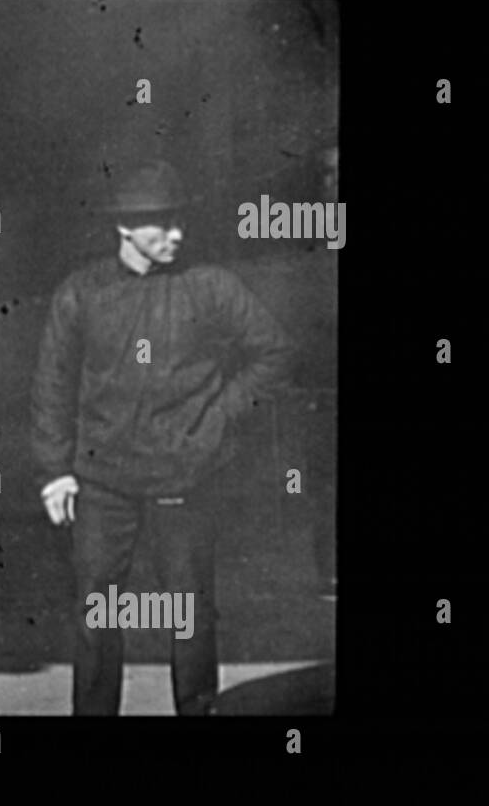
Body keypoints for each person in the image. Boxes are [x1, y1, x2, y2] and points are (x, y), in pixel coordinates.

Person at [30, 160, 294, 715]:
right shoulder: (81, 294)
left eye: (179, 222)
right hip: (103, 483)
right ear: (123, 227)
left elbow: (273, 352)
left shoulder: (210, 287)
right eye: (160, 225)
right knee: (98, 613)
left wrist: (217, 419)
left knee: (189, 610)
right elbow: (53, 384)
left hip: (184, 476)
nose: (176, 235)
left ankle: (197, 709)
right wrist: (54, 470)